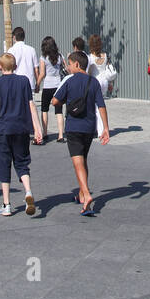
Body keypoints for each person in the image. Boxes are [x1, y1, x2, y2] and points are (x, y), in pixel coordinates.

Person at [51, 51, 109, 217]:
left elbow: (55, 101)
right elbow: (101, 105)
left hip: (74, 126)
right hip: (89, 128)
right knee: (82, 161)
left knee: (77, 163)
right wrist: (105, 127)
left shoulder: (69, 81)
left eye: (69, 64)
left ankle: (86, 194)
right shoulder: (94, 82)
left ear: (77, 64)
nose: (68, 67)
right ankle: (82, 195)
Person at [0, 53, 44, 216]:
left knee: (4, 166)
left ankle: (7, 205)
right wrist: (37, 127)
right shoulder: (24, 81)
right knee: (22, 162)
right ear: (16, 66)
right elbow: (31, 105)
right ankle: (28, 192)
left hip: (4, 130)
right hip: (22, 129)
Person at [36, 35, 65, 144]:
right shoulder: (60, 56)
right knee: (59, 111)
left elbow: (42, 73)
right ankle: (61, 135)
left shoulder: (43, 57)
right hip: (58, 85)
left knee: (44, 109)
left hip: (48, 85)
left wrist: (37, 84)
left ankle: (45, 133)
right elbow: (65, 69)